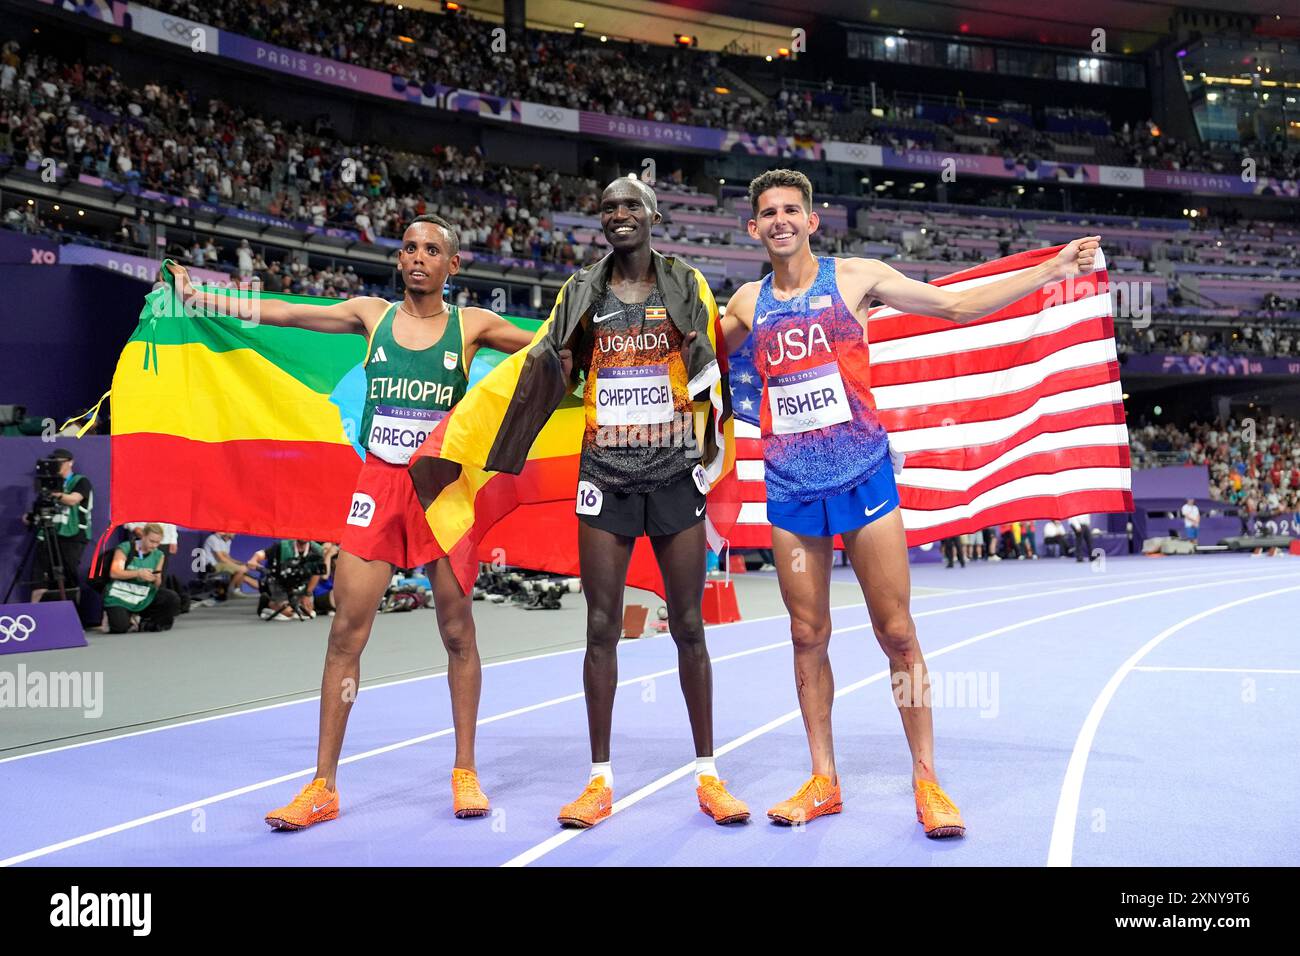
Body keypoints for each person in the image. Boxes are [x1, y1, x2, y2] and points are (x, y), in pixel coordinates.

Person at [719, 167, 1100, 836]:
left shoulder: (858, 277)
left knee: (897, 634)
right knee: (806, 634)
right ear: (754, 227)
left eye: (791, 209)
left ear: (812, 221)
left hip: (864, 479)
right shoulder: (748, 302)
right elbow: (696, 351)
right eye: (767, 212)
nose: (780, 220)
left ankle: (927, 781)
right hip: (790, 491)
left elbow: (953, 308)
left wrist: (1052, 271)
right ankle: (823, 779)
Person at [163, 213, 546, 827]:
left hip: (441, 492)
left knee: (457, 631)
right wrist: (201, 295)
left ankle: (465, 771)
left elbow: (549, 352)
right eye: (409, 248)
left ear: (453, 265)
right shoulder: (373, 316)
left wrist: (613, 336)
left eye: (431, 249)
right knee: (346, 631)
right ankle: (322, 785)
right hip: (379, 487)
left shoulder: (473, 326)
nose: (418, 257)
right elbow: (285, 313)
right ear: (399, 261)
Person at [549, 177, 747, 828]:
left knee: (689, 626)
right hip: (602, 473)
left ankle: (708, 775)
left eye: (630, 204)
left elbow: (709, 368)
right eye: (606, 207)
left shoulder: (684, 282)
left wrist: (702, 453)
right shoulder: (581, 290)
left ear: (653, 214)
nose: (618, 214)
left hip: (670, 471)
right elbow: (558, 371)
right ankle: (599, 779)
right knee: (601, 627)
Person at [29, 448, 92, 605]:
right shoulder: (48, 483)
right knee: (40, 577)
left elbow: (73, 500)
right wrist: (31, 517)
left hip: (72, 536)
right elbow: (38, 511)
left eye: (59, 462)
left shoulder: (80, 481)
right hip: (48, 534)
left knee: (68, 576)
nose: (56, 465)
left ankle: (73, 618)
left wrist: (55, 494)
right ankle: (34, 618)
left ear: (70, 463)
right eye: (53, 462)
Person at [102, 523, 181, 633]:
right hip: (120, 595)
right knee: (119, 628)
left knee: (171, 598)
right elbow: (114, 573)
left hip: (143, 594)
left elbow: (157, 584)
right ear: (143, 535)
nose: (154, 545)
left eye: (157, 542)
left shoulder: (159, 555)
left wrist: (155, 579)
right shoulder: (125, 547)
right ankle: (115, 616)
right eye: (151, 541)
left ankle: (143, 622)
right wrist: (138, 574)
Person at [246, 539, 325, 621]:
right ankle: (267, 603)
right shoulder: (283, 546)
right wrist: (254, 559)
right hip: (279, 584)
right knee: (287, 612)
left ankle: (292, 603)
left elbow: (317, 573)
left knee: (307, 611)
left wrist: (308, 594)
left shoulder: (317, 550)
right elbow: (263, 554)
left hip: (300, 585)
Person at [200, 531, 254, 597]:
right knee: (242, 569)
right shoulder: (213, 538)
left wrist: (240, 563)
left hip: (221, 564)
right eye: (233, 531)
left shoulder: (227, 541)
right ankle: (230, 590)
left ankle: (235, 590)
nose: (235, 533)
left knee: (243, 569)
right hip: (213, 565)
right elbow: (221, 559)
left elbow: (227, 557)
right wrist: (237, 566)